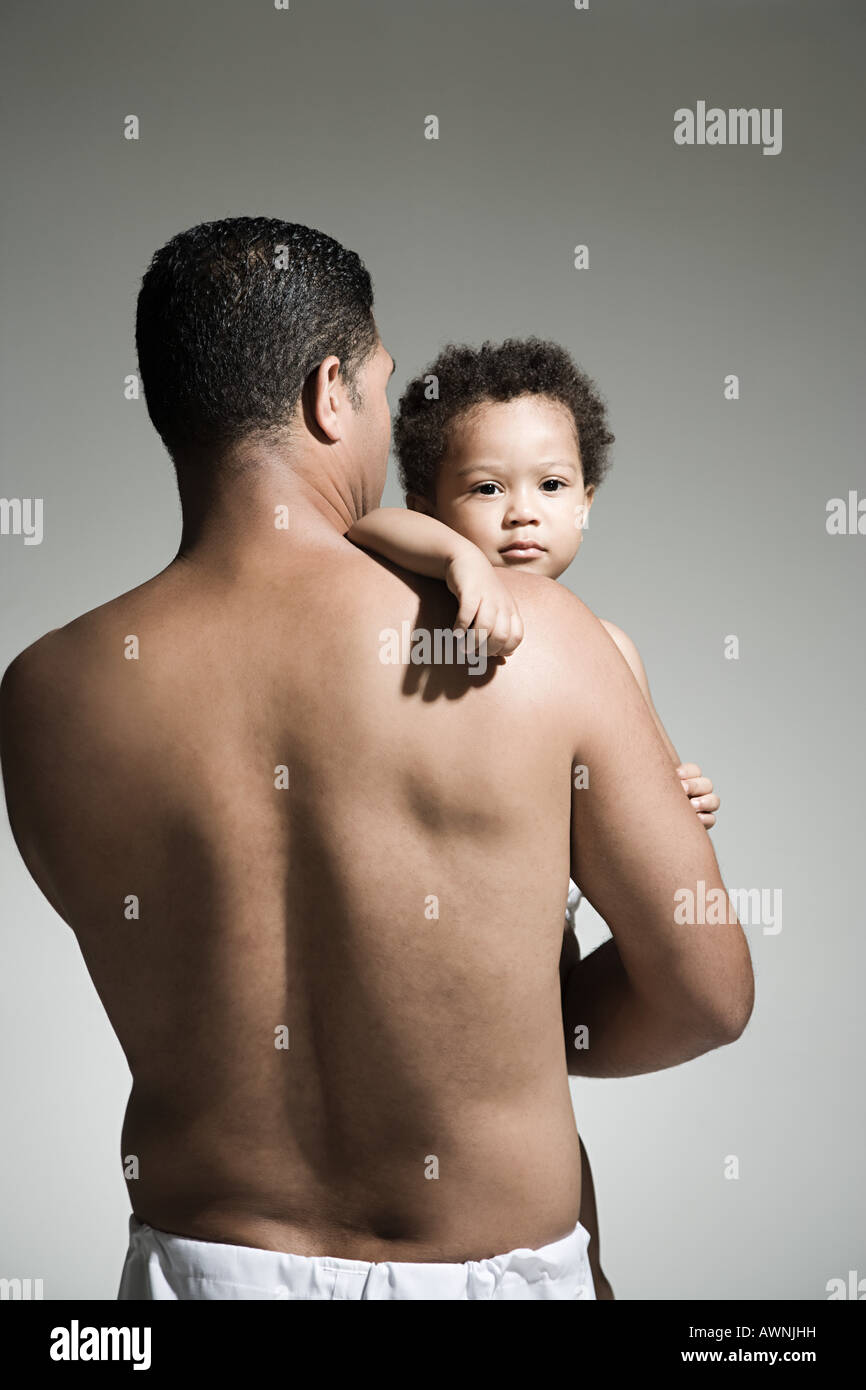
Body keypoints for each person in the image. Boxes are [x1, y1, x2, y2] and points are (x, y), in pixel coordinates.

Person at [0, 217, 754, 1301]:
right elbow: (705, 997)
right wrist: (501, 1025)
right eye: (379, 385)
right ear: (327, 393)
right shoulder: (537, 643)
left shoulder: (45, 695)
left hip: (195, 1272)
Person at [344, 337, 724, 1299]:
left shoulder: (607, 649)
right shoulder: (428, 600)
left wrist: (684, 795)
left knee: (562, 1214)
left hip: (542, 982)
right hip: (438, 975)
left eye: (553, 485)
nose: (522, 512)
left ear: (588, 501)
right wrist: (459, 569)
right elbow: (360, 527)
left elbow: (639, 793)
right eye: (483, 490)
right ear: (432, 505)